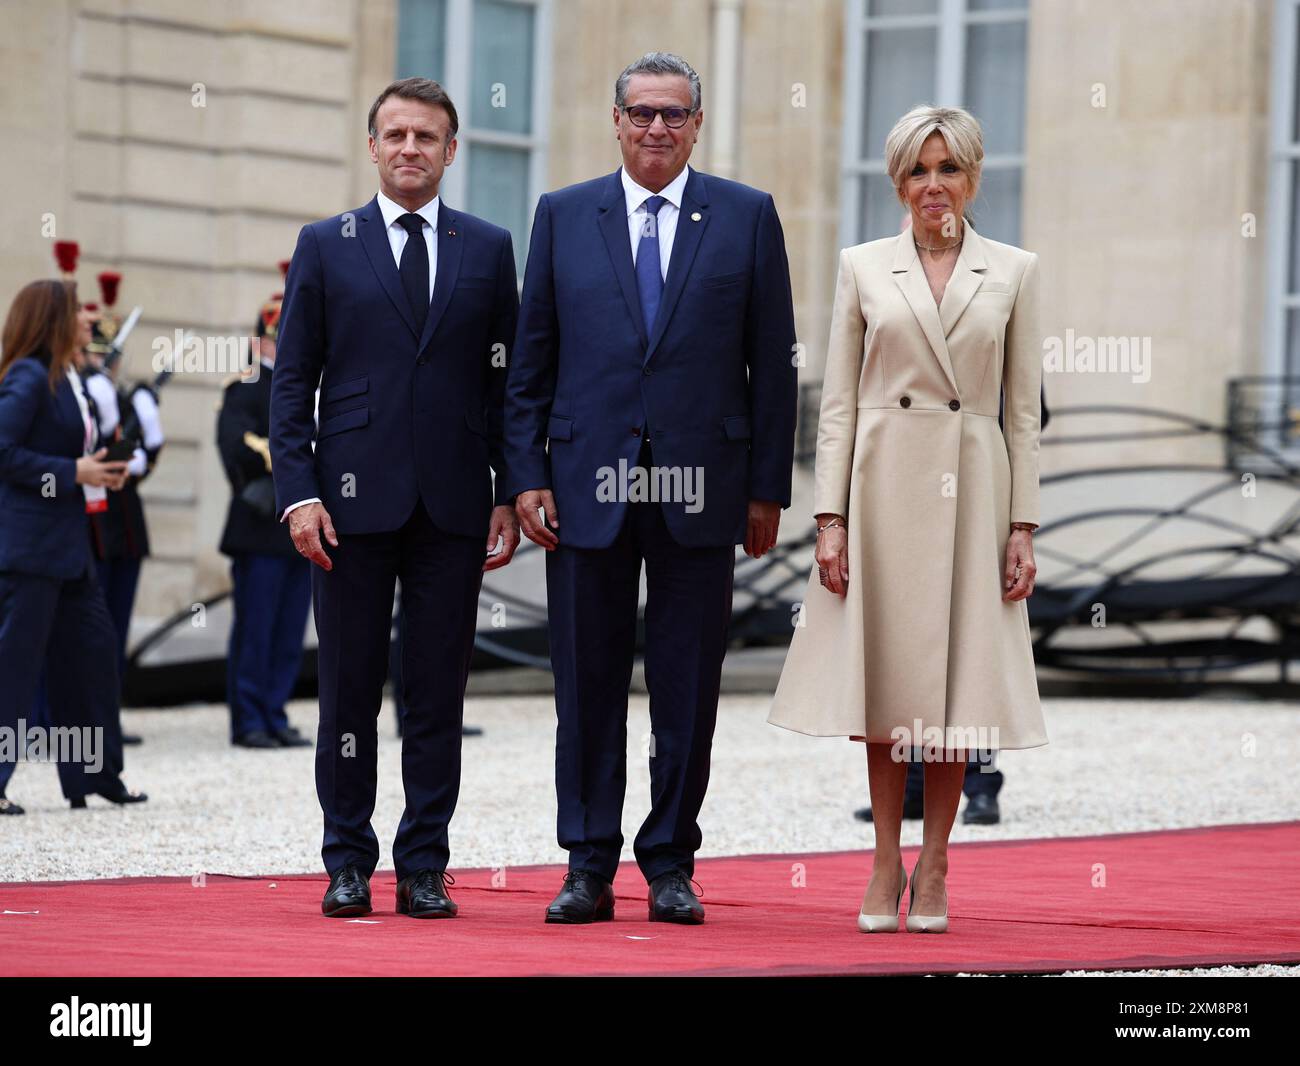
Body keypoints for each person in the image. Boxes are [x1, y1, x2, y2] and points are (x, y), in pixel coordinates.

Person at [505, 52, 798, 924]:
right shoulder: (563, 216)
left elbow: (774, 364)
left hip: (703, 488)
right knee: (585, 684)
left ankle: (670, 860)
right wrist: (526, 476)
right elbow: (530, 364)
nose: (657, 127)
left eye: (674, 114)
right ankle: (587, 862)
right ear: (617, 120)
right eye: (642, 113)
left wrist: (766, 489)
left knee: (686, 686)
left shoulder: (747, 216)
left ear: (697, 125)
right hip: (582, 486)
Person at [767, 105, 1047, 934]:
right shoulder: (861, 266)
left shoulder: (1015, 271)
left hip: (975, 493)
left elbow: (1022, 413)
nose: (933, 184)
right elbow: (839, 403)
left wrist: (1023, 526)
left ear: (973, 177)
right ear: (897, 181)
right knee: (885, 681)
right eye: (918, 170)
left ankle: (936, 863)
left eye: (948, 168)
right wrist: (829, 518)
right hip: (881, 489)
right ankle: (885, 857)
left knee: (958, 689)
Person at [270, 77, 520, 919]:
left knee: (436, 692)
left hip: (454, 505)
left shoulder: (489, 248)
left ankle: (423, 864)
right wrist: (299, 495)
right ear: (373, 146)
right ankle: (346, 859)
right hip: (347, 506)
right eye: (397, 135)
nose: (411, 148)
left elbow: (506, 384)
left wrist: (509, 489)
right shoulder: (325, 244)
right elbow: (292, 380)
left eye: (427, 136)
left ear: (451, 150)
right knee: (347, 690)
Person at [0, 280, 147, 813]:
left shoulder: (66, 378)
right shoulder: (29, 375)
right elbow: (3, 450)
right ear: (52, 321)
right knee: (14, 670)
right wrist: (72, 471)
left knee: (92, 658)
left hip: (68, 551)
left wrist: (98, 471)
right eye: (76, 313)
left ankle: (96, 775)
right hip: (32, 551)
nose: (87, 320)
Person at [217, 297, 313, 750]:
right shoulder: (246, 387)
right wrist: (294, 458)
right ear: (260, 342)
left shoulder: (309, 387)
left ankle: (275, 712)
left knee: (290, 629)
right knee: (256, 628)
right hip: (260, 524)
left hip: (302, 525)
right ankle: (249, 718)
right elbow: (237, 448)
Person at [82, 288, 164, 744]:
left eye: (107, 357)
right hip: (92, 527)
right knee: (86, 629)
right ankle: (65, 719)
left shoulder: (125, 399)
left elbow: (142, 465)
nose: (104, 364)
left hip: (125, 527)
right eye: (97, 355)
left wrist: (149, 440)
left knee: (115, 628)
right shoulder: (80, 393)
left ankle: (106, 719)